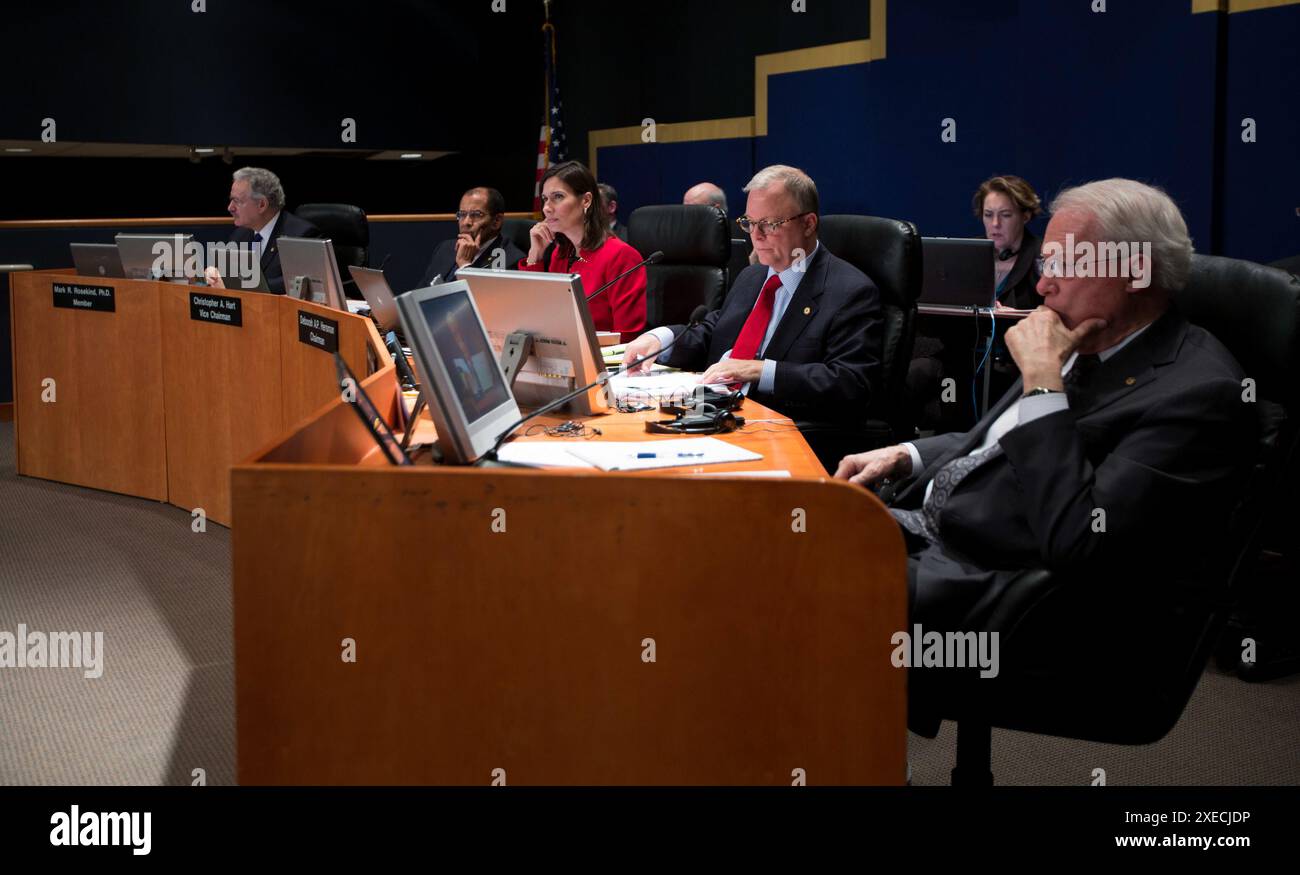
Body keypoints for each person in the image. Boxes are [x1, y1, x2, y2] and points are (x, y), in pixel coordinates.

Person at [836, 178, 1257, 633]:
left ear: (1136, 272)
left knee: (785, 589)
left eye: (1065, 264)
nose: (1042, 285)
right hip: (924, 529)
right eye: (1045, 263)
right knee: (767, 535)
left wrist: (1041, 382)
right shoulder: (1085, 337)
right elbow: (1003, 445)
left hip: (989, 590)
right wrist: (907, 454)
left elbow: (1080, 539)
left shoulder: (1198, 394)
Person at [623, 165, 883, 472]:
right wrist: (659, 339)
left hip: (781, 437)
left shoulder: (850, 291)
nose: (756, 236)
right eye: (750, 223)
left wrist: (761, 370)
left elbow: (850, 384)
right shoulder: (752, 277)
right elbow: (712, 330)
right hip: (714, 418)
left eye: (770, 224)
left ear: (809, 223)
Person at [520, 161, 647, 342]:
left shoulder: (621, 256)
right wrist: (535, 255)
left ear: (586, 200)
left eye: (558, 197)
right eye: (545, 199)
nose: (547, 208)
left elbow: (626, 337)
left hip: (604, 363)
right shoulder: (561, 254)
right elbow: (536, 315)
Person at [210, 167, 321, 294]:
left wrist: (234, 284)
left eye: (237, 201)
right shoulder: (240, 235)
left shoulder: (301, 236)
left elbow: (294, 284)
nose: (230, 208)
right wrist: (214, 275)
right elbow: (226, 275)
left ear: (262, 205)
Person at [420, 187, 525, 286]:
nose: (466, 222)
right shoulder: (445, 248)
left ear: (496, 221)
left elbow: (485, 302)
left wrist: (465, 266)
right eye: (462, 214)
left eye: (476, 215)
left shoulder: (511, 261)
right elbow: (420, 293)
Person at [975, 175, 1044, 310]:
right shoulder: (968, 254)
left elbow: (1061, 314)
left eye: (1005, 215)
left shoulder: (1044, 255)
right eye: (988, 215)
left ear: (1025, 216)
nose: (995, 223)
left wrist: (1017, 318)